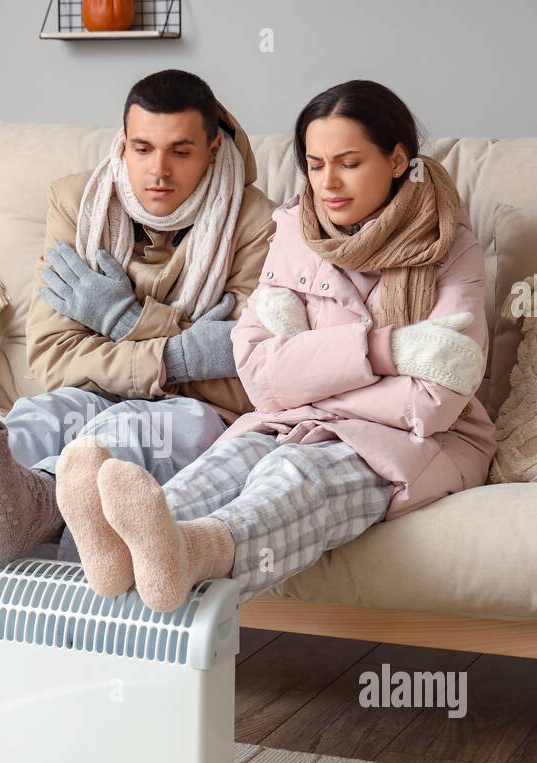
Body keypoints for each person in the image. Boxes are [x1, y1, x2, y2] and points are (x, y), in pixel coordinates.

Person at [56, 79, 498, 610]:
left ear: (398, 159)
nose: (328, 183)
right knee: (230, 463)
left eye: (349, 163)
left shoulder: (451, 248)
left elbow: (433, 400)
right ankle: (114, 545)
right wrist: (385, 351)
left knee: (293, 474)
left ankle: (191, 552)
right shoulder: (293, 233)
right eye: (314, 165)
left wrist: (311, 383)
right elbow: (261, 377)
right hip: (288, 423)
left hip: (408, 445)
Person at [0, 69, 276, 563]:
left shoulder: (258, 223)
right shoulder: (80, 204)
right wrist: (184, 353)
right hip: (89, 392)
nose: (158, 171)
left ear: (212, 149)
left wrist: (122, 319)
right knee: (43, 414)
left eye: (180, 151)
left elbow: (248, 375)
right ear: (122, 144)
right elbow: (54, 358)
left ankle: (18, 510)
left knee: (125, 433)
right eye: (142, 149)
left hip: (198, 415)